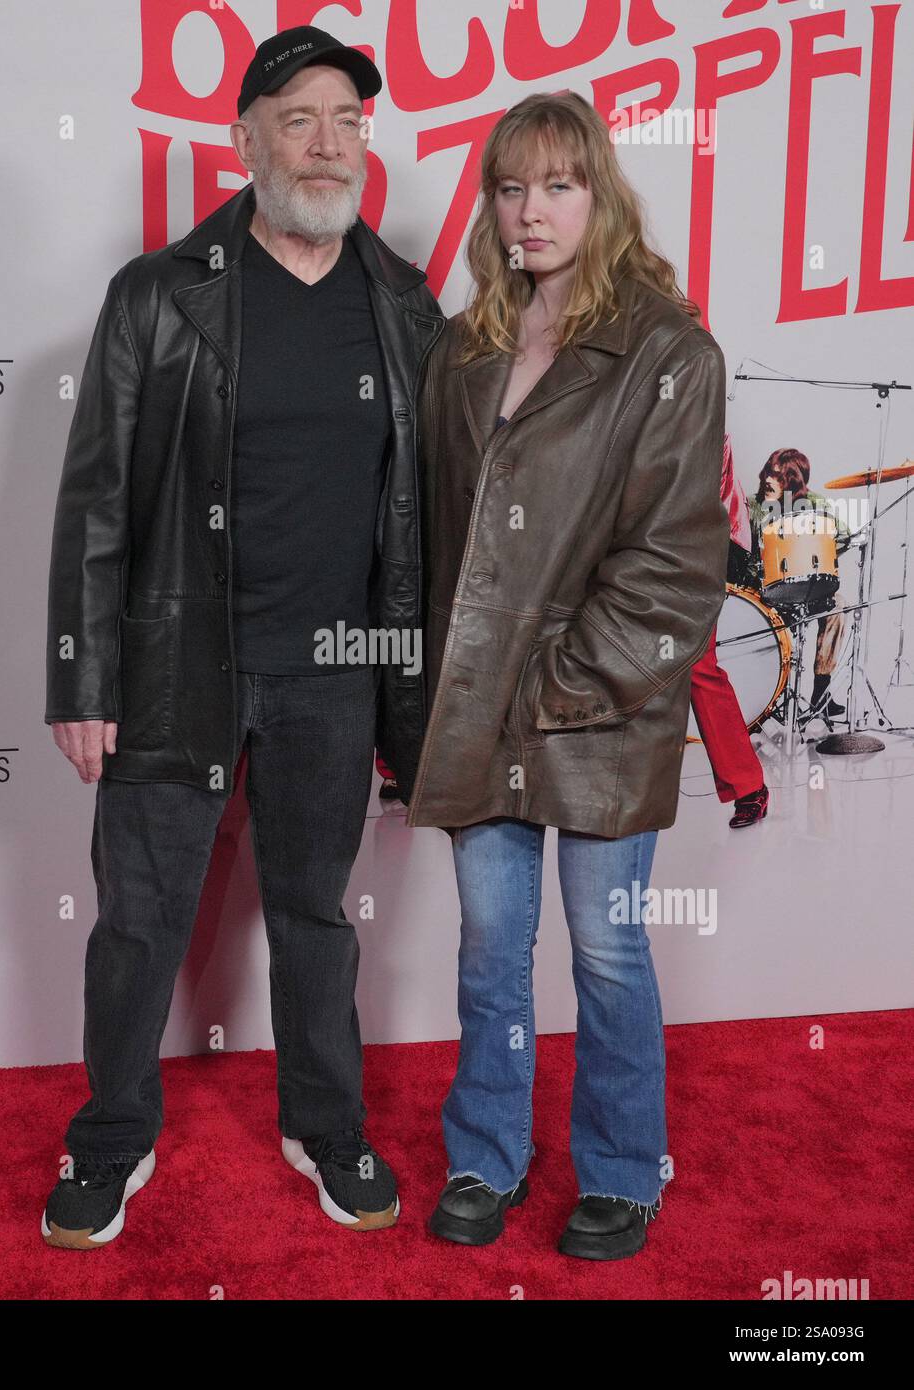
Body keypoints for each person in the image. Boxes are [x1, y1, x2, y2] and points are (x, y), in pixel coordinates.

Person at [41, 25, 444, 1247]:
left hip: (335, 676)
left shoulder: (405, 304)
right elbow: (97, 496)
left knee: (315, 913)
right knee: (135, 922)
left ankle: (323, 1122)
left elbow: (416, 525)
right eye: (298, 119)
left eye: (346, 123)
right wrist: (81, 676)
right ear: (246, 139)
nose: (326, 146)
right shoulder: (159, 295)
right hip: (173, 662)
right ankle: (110, 1137)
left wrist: (407, 700)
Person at [404, 92, 729, 1259]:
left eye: (553, 185)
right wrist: (428, 692)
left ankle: (622, 1168)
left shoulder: (666, 349)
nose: (526, 211)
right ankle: (485, 1154)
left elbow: (673, 566)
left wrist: (554, 682)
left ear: (598, 194)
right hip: (475, 705)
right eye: (506, 186)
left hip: (599, 709)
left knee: (605, 950)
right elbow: (434, 542)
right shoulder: (465, 342)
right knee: (490, 952)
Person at [689, 433, 769, 828]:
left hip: (694, 555)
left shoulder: (705, 420)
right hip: (623, 557)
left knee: (698, 669)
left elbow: (714, 499)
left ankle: (748, 785)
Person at [746, 448, 849, 720]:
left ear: (793, 481)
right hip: (765, 591)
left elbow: (844, 536)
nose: (769, 479)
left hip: (806, 586)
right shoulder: (752, 505)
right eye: (768, 472)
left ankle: (821, 692)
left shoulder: (814, 503)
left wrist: (819, 551)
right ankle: (768, 696)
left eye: (778, 476)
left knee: (837, 606)